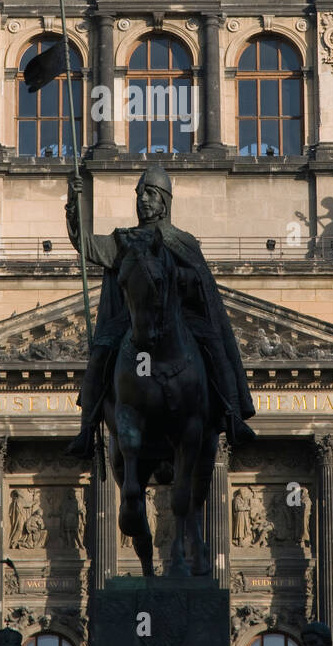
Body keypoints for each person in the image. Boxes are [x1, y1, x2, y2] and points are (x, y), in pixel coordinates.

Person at [64, 166, 256, 458]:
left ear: (164, 200)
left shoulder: (183, 241)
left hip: (180, 316)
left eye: (150, 193)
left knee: (215, 345)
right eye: (140, 193)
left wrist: (178, 278)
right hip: (133, 319)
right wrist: (74, 202)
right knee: (101, 351)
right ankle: (87, 430)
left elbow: (200, 283)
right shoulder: (124, 240)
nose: (143, 199)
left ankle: (232, 416)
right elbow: (86, 244)